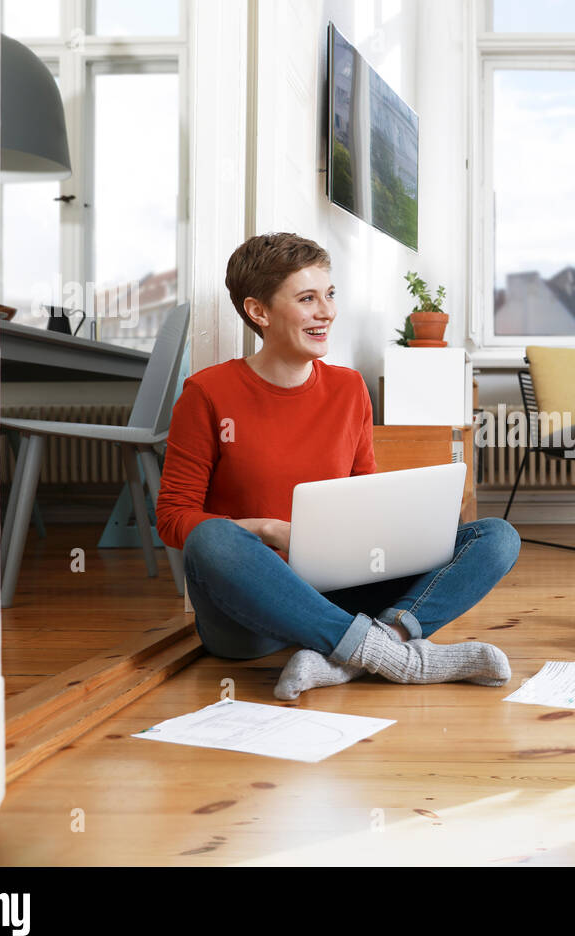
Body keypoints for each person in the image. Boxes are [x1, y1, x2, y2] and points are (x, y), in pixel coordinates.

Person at [155, 232, 520, 699]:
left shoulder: (349, 389)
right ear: (258, 312)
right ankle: (395, 655)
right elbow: (172, 518)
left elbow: (363, 495)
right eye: (307, 299)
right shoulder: (207, 393)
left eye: (329, 295)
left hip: (343, 588)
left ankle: (361, 651)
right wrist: (268, 530)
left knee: (495, 537)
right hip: (253, 615)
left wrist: (400, 531)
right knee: (211, 539)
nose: (326, 311)